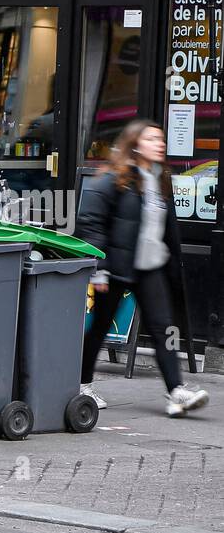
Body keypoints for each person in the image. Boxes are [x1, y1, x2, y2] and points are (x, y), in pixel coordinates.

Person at [76, 119, 208, 418]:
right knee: (98, 328)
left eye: (161, 139)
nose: (159, 144)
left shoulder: (159, 179)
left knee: (163, 328)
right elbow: (91, 222)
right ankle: (81, 386)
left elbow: (165, 228)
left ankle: (176, 392)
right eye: (151, 139)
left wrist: (171, 263)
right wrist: (99, 268)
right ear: (135, 144)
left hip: (150, 266)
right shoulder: (113, 178)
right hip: (117, 266)